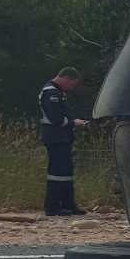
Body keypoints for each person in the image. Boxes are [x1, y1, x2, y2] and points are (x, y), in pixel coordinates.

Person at [38, 67, 89, 216]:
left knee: (66, 172)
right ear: (66, 78)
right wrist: (75, 122)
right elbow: (56, 119)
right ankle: (53, 206)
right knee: (57, 172)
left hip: (62, 138)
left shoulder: (58, 92)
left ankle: (68, 204)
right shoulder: (51, 92)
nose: (72, 88)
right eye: (72, 84)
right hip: (55, 138)